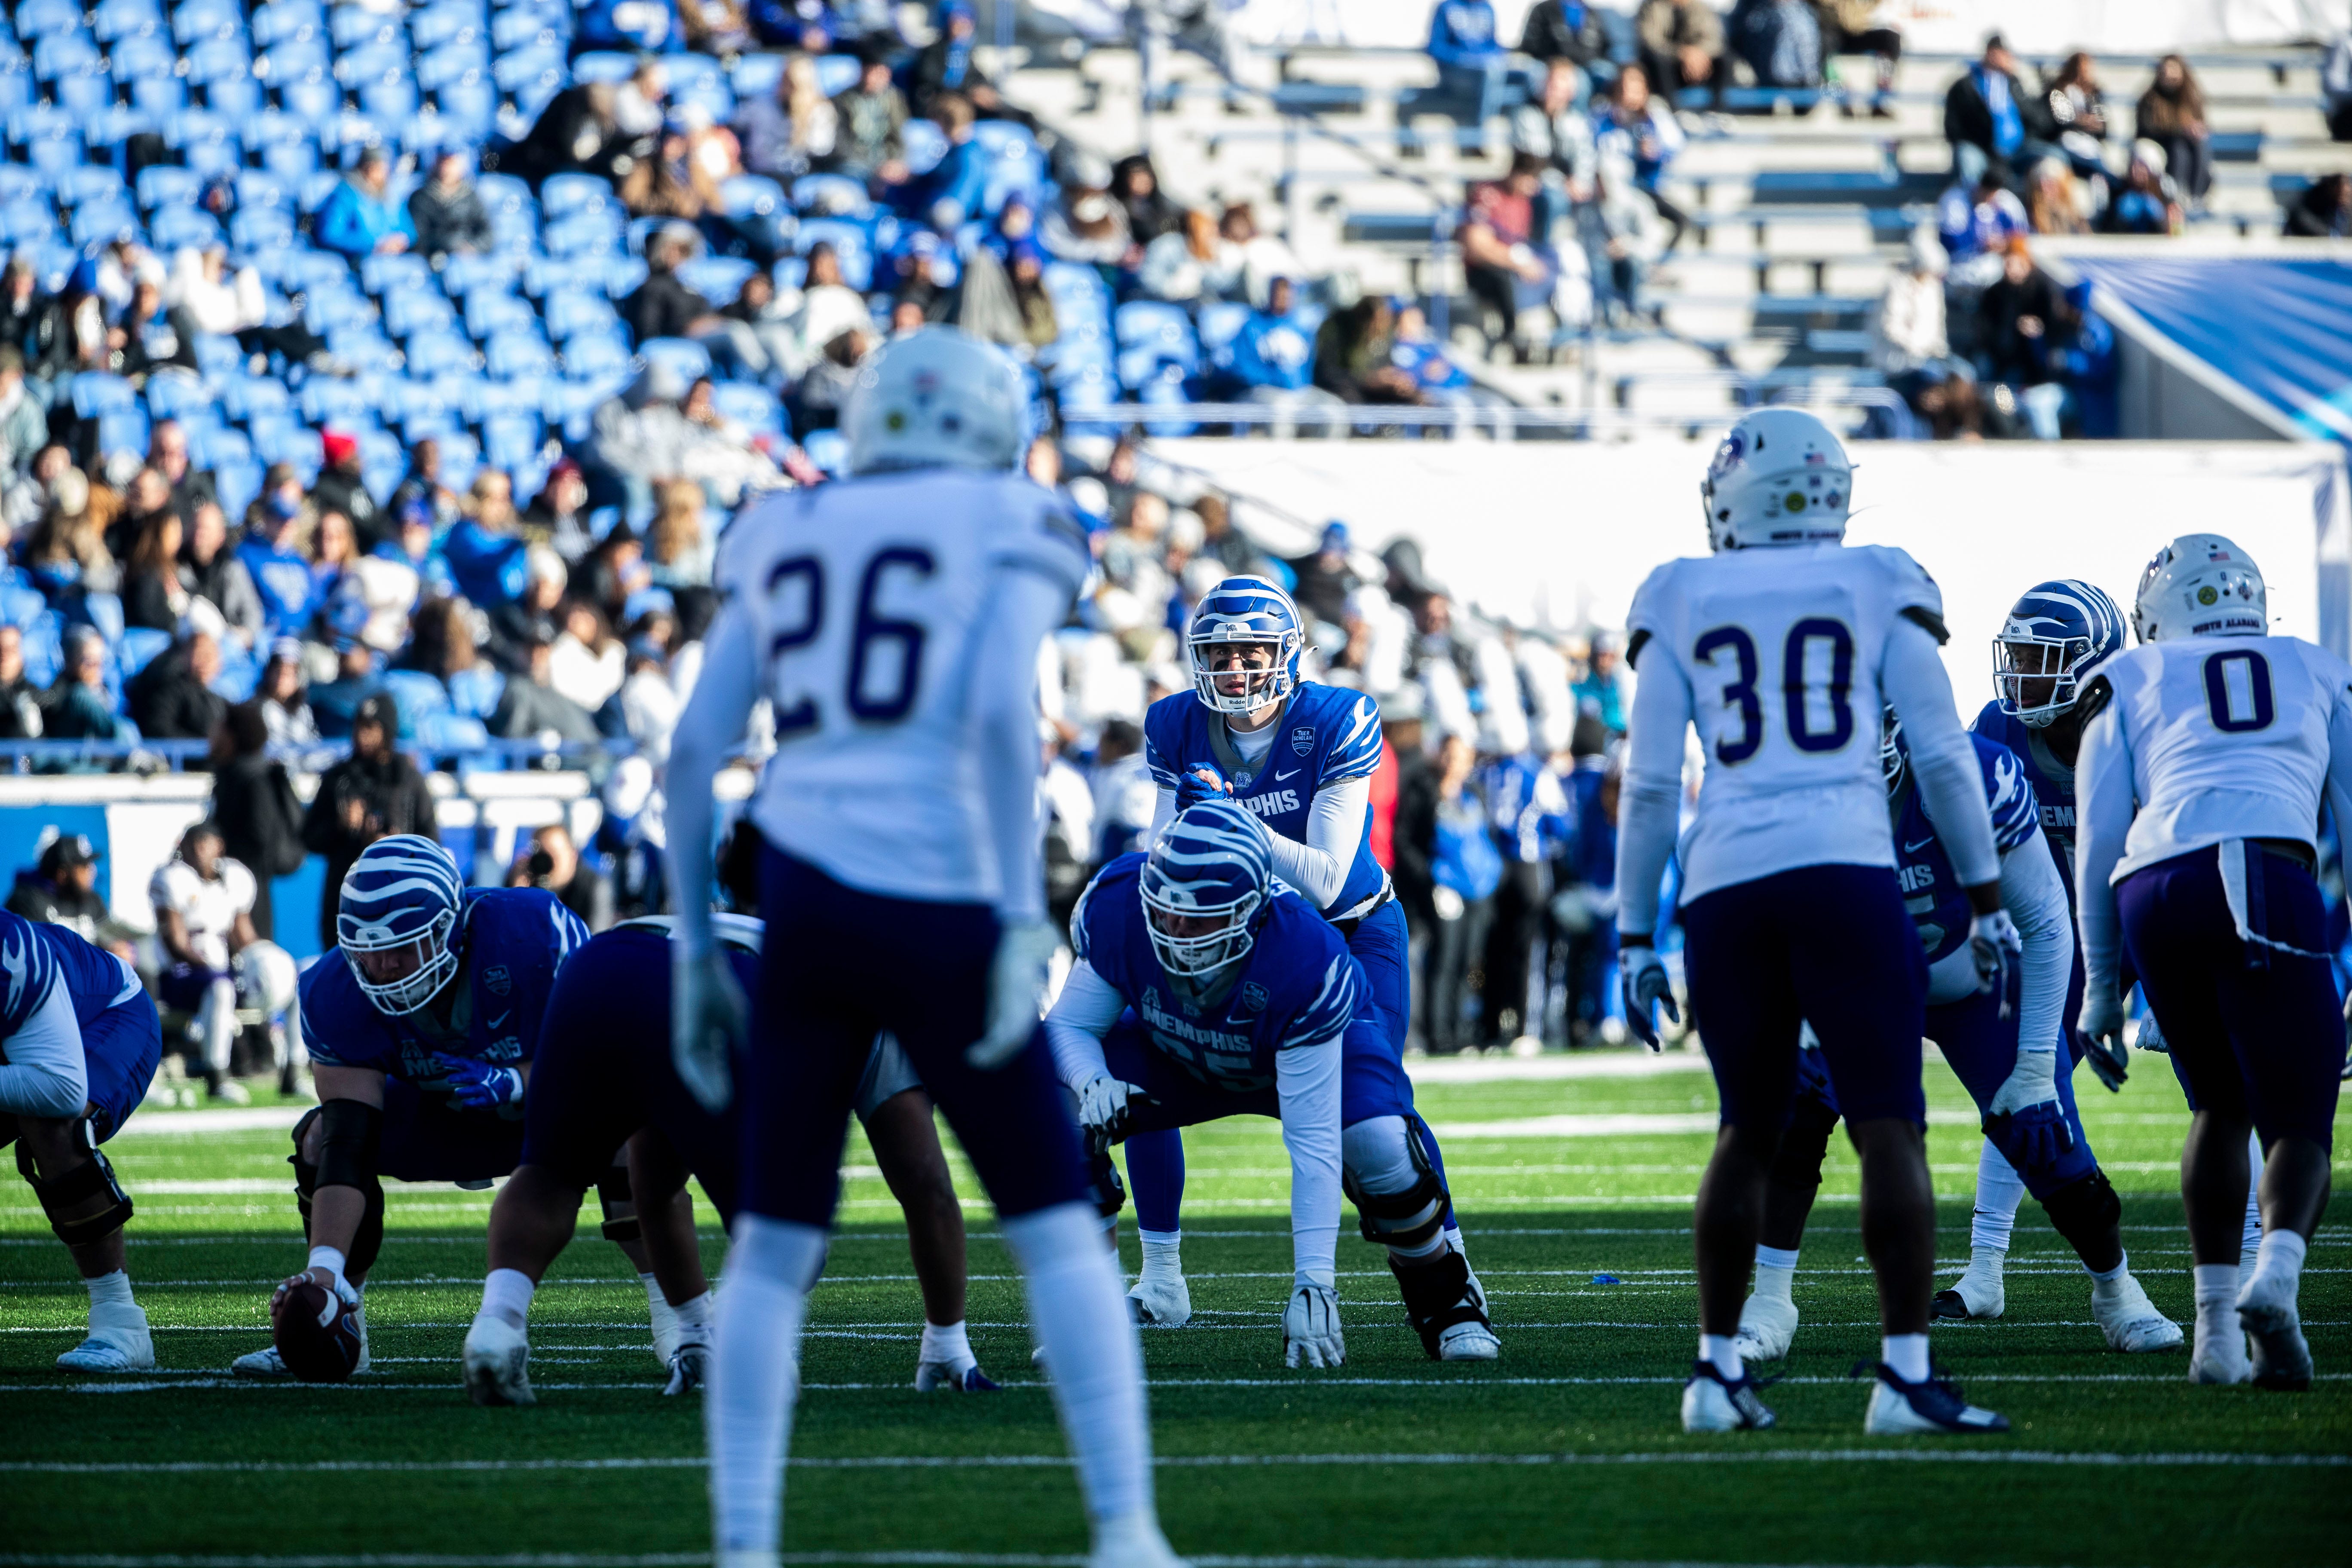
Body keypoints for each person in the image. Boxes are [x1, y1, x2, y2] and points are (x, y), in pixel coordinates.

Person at [660, 328, 1180, 1568]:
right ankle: (1126, 1529)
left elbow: (691, 754)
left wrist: (692, 948)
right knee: (1053, 1219)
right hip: (942, 892)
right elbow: (1005, 716)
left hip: (805, 903)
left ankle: (743, 1546)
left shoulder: (783, 528)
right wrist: (1016, 917)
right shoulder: (1016, 518)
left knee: (776, 1241)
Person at [1614, 407, 2012, 1435]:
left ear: (1727, 501)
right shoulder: (1877, 578)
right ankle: (1903, 1378)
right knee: (1888, 1123)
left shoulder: (1677, 589)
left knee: (1745, 1130)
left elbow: (1652, 785)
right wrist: (1981, 894)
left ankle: (1711, 1375)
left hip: (1725, 880)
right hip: (1843, 864)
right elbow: (1936, 752)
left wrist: (1629, 935)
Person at [1730, 703, 2181, 1363]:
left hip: (1979, 978)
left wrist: (2033, 1065)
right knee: (1795, 1107)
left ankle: (2118, 1293)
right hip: (1857, 980)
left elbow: (2049, 922)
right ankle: (1768, 1300)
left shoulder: (1968, 777)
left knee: (2042, 1133)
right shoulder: (1788, 799)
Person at [1125, 576, 1500, 1357]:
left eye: (1250, 650)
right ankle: (1158, 1275)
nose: (1233, 669)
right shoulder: (1173, 721)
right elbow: (1164, 860)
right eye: (1219, 652)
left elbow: (1329, 878)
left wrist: (1230, 825)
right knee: (1121, 1068)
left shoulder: (1337, 715)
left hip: (1345, 933)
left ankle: (1447, 1273)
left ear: (1287, 653)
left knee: (1371, 1111)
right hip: (1232, 938)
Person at [460, 913, 1002, 1402]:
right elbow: (928, 1187)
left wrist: (694, 1329)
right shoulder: (883, 1010)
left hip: (602, 968)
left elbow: (657, 1179)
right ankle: (757, 1350)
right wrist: (947, 1337)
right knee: (787, 1222)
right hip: (724, 986)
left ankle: (499, 1321)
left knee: (552, 1173)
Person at [224, 837, 666, 1379]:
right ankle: (342, 1312)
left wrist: (518, 1082)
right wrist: (323, 1271)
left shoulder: (532, 935)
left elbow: (605, 1060)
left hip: (547, 1108)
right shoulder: (335, 989)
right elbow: (349, 1136)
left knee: (624, 1127)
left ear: (449, 931)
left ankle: (677, 1317)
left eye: (401, 948)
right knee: (319, 1138)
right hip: (442, 1117)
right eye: (367, 951)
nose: (382, 968)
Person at [2076, 536, 2352, 1390]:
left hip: (2153, 887)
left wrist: (2100, 992)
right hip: (2262, 871)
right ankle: (2275, 1277)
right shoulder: (2313, 667)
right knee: (2301, 1122)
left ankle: (2217, 1341)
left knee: (2219, 1107)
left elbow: (2098, 844)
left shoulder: (2129, 678)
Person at [1049, 802, 1410, 1367]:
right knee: (1051, 1102)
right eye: (1165, 910)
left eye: (1197, 914)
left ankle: (1447, 1279)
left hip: (1281, 1044)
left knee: (1378, 1135)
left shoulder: (1302, 953)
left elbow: (1314, 1143)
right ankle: (1102, 1305)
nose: (1176, 928)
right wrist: (1093, 1081)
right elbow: (1067, 1026)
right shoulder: (1123, 908)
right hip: (1183, 1048)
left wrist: (1314, 1279)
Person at [0, 906, 163, 1372]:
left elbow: (62, 1091)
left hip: (108, 1016)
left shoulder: (10, 954)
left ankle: (120, 1324)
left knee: (51, 1126)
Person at [150, 821, 300, 1107]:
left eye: (205, 843)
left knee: (294, 985)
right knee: (221, 989)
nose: (199, 850)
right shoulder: (173, 878)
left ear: (219, 846)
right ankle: (217, 1076)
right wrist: (214, 970)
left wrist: (269, 963)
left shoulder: (234, 878)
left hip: (219, 975)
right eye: (193, 843)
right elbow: (177, 944)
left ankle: (294, 1072)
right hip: (181, 977)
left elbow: (245, 937)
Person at [299, 691, 438, 949]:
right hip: (345, 898)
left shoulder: (409, 780)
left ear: (387, 731)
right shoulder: (338, 778)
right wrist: (341, 826)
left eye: (370, 728)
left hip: (398, 900)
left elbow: (431, 842)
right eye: (358, 727)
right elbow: (309, 838)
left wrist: (394, 845)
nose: (361, 735)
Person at [208, 701, 309, 948]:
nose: (212, 734)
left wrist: (218, 848)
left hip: (250, 898)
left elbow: (260, 839)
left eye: (220, 728)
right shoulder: (231, 775)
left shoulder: (253, 780)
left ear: (233, 736)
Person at [1980, 239, 2076, 441]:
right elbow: (1987, 334)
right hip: (2006, 373)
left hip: (2040, 379)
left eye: (2017, 264)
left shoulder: (2042, 290)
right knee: (1999, 401)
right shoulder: (1996, 294)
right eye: (2008, 264)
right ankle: (2011, 439)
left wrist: (2038, 333)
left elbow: (2055, 337)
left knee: (2038, 408)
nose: (2012, 270)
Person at [1227, 277, 1343, 437]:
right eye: (1279, 294)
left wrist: (1297, 387)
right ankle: (1282, 460)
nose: (1283, 299)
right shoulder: (1252, 325)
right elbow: (1241, 366)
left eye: (1287, 295)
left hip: (1299, 393)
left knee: (1334, 409)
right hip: (1262, 391)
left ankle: (1321, 460)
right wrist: (1274, 378)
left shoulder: (1302, 328)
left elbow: (1307, 369)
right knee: (1282, 409)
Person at [1943, 34, 2054, 191]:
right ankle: (1977, 210)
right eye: (2002, 53)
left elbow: (2036, 118)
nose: (2006, 58)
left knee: (2054, 158)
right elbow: (1953, 127)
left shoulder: (2014, 84)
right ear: (1990, 53)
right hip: (1980, 149)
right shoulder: (1965, 86)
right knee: (1968, 159)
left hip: (2018, 149)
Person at [7, 833, 115, 945]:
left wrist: (118, 951)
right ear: (63, 874)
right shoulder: (28, 900)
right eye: (85, 866)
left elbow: (112, 941)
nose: (93, 872)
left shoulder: (93, 901)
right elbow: (35, 955)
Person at [313, 147, 417, 260]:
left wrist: (400, 240)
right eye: (381, 168)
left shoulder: (391, 194)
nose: (385, 173)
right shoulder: (345, 195)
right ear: (369, 168)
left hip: (392, 258)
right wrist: (373, 244)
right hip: (358, 261)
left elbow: (409, 231)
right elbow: (330, 235)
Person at [2136, 55, 2211, 205]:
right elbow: (2149, 130)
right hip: (2160, 147)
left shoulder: (2191, 100)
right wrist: (2181, 130)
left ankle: (2196, 195)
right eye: (2166, 70)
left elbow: (2201, 124)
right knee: (2179, 148)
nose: (2169, 75)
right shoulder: (2150, 99)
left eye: (2173, 70)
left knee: (2199, 145)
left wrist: (2196, 131)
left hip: (2187, 148)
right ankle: (2175, 194)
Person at [408, 148, 494, 263]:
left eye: (452, 163)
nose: (447, 169)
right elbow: (418, 237)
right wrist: (449, 246)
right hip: (434, 259)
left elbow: (487, 233)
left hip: (467, 259)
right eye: (443, 162)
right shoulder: (420, 198)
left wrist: (472, 248)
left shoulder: (471, 197)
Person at [1634, 0, 1722, 107]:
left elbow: (1713, 39)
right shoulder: (1651, 7)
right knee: (1660, 62)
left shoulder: (1700, 8)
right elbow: (1650, 42)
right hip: (1665, 63)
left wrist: (1698, 54)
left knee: (1724, 60)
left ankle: (1719, 108)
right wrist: (1682, 53)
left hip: (1695, 63)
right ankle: (1672, 110)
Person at [2285, 171, 2352, 238]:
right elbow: (2302, 218)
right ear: (2329, 184)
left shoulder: (2347, 210)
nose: (2346, 189)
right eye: (2337, 184)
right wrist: (2331, 235)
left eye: (2348, 184)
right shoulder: (2311, 203)